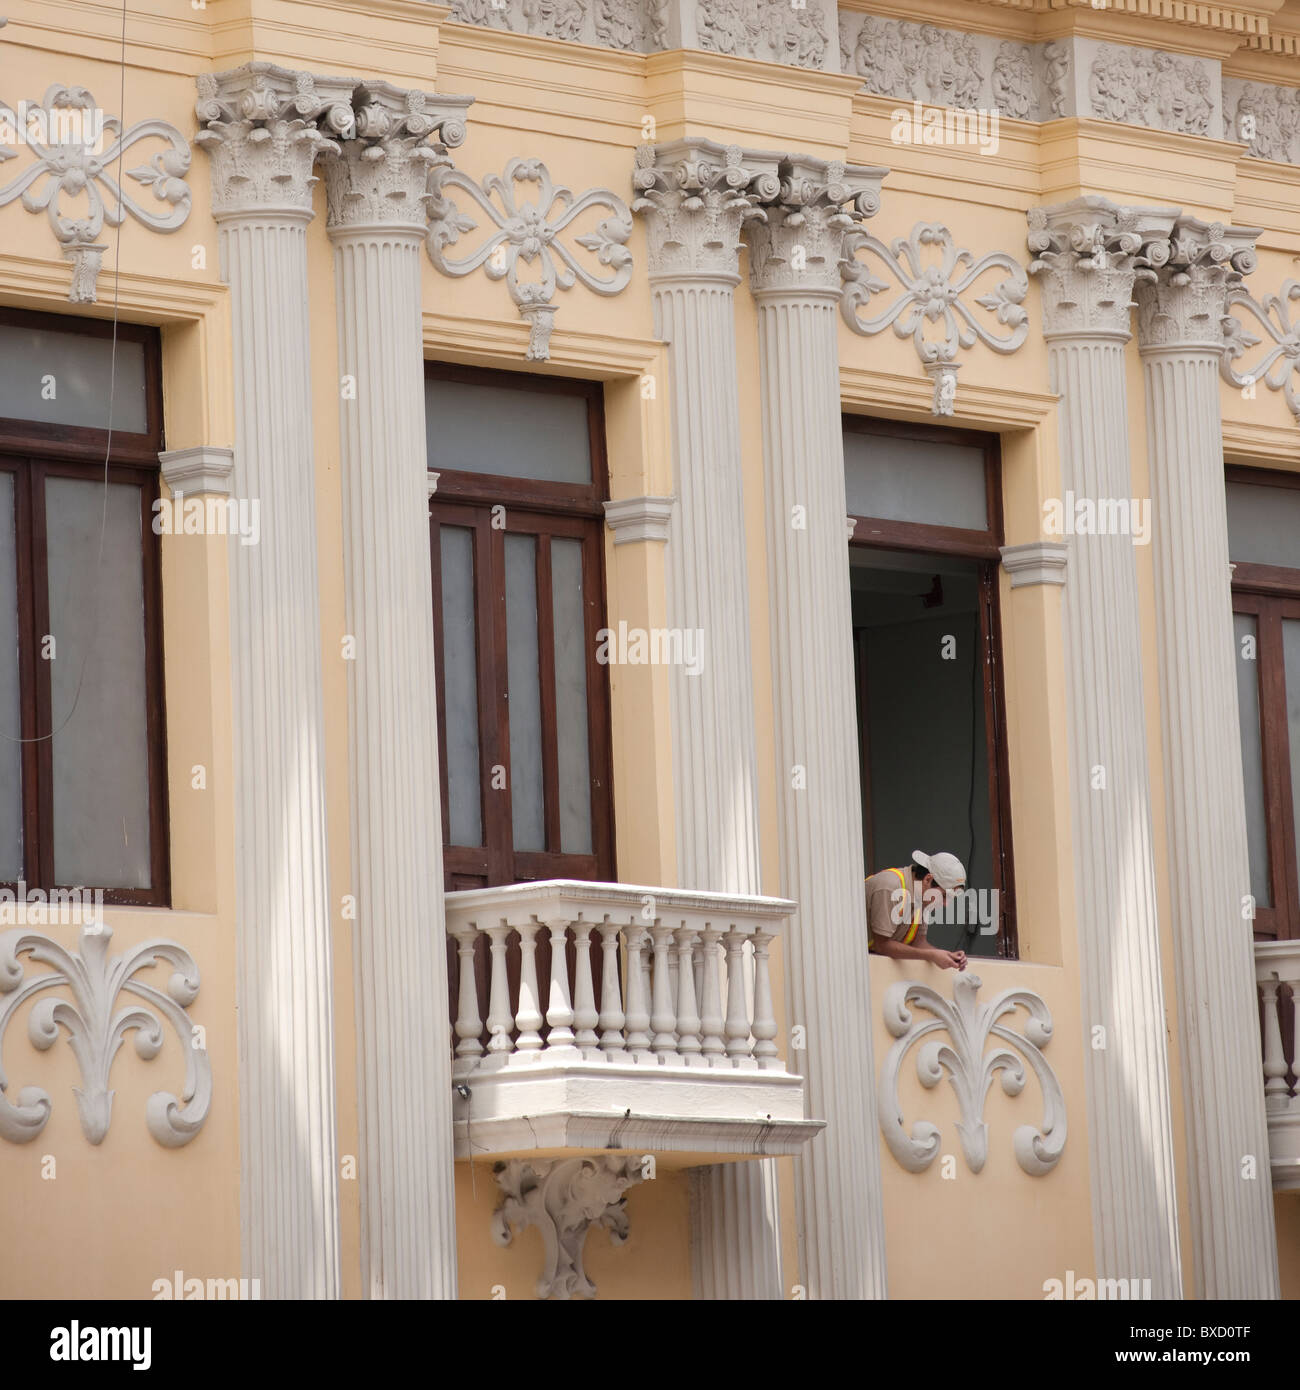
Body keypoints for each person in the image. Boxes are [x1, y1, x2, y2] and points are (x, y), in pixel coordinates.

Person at [865, 849, 967, 971]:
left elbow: (918, 943)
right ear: (928, 880)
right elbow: (882, 945)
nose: (945, 904)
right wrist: (931, 956)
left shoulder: (922, 895)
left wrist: (947, 956)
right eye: (944, 896)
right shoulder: (890, 887)